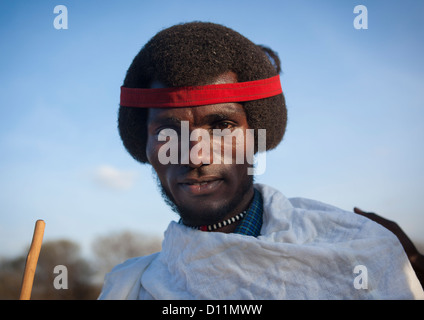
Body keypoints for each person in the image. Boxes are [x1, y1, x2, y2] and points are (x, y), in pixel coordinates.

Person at [98, 22, 424, 299]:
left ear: (257, 134)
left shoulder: (358, 252)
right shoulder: (129, 289)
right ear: (146, 145)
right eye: (169, 132)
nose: (195, 156)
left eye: (221, 126)